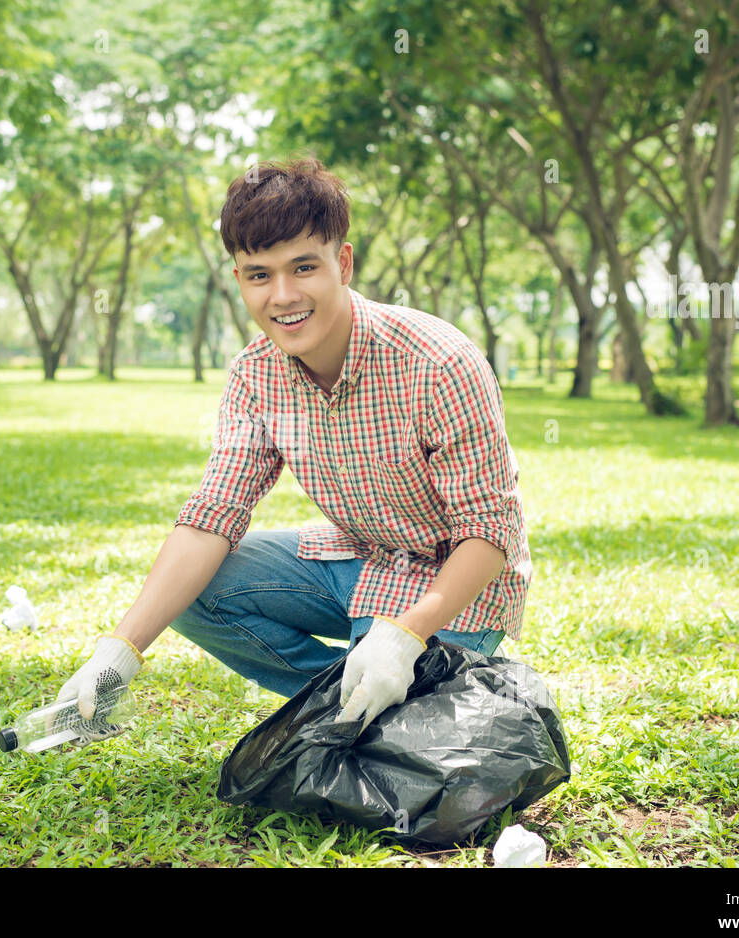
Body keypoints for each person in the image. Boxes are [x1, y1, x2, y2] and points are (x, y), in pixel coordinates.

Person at [55, 156, 531, 734]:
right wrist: (119, 651)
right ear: (239, 281)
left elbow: (491, 534)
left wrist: (405, 634)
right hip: (358, 556)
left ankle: (397, 695)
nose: (282, 295)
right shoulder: (255, 376)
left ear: (343, 263)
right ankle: (349, 697)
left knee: (382, 746)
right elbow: (213, 513)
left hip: (453, 581)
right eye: (259, 274)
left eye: (303, 267)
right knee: (199, 589)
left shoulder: (438, 362)